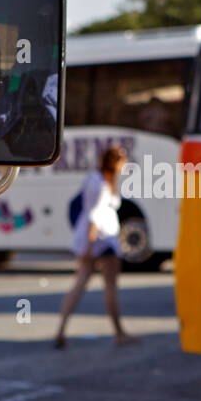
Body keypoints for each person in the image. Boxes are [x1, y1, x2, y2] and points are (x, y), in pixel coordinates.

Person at [54, 145, 138, 348]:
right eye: (123, 161)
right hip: (103, 241)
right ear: (115, 162)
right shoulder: (102, 184)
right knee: (110, 287)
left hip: (92, 240)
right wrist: (90, 246)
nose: (124, 165)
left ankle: (61, 329)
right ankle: (119, 332)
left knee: (79, 284)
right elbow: (95, 216)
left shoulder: (95, 179)